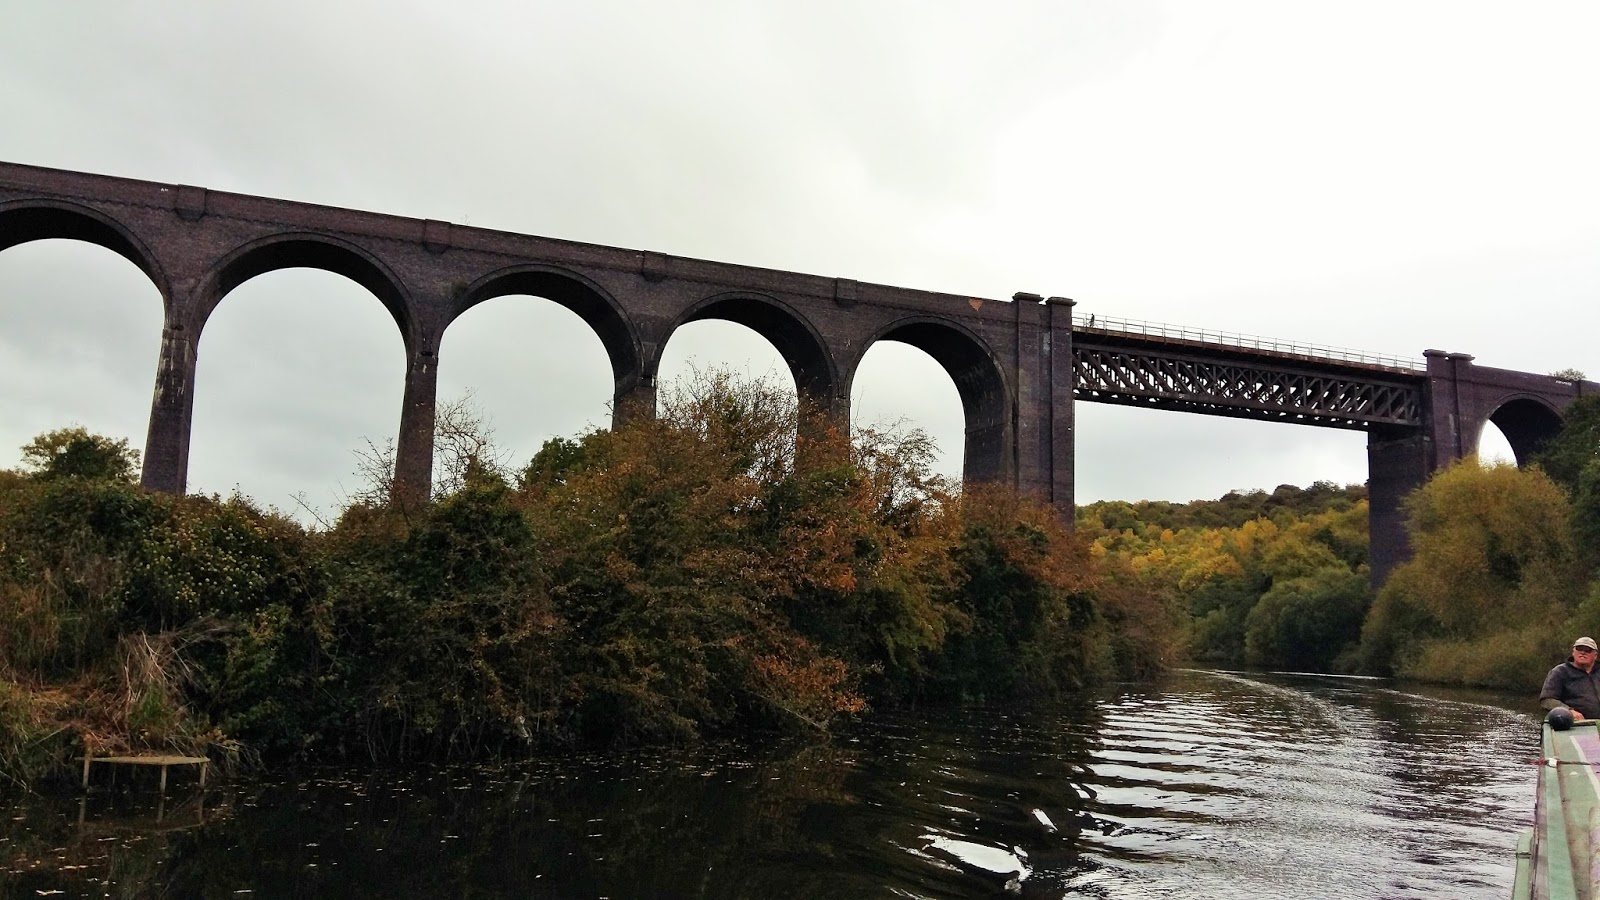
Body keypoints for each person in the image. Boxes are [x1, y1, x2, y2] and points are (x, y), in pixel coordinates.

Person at [1540, 636, 1600, 721]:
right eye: (1579, 648)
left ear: (1595, 655)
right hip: (1572, 725)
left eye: (1587, 650)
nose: (1583, 652)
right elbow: (1547, 700)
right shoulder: (1560, 672)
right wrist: (1569, 711)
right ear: (1573, 652)